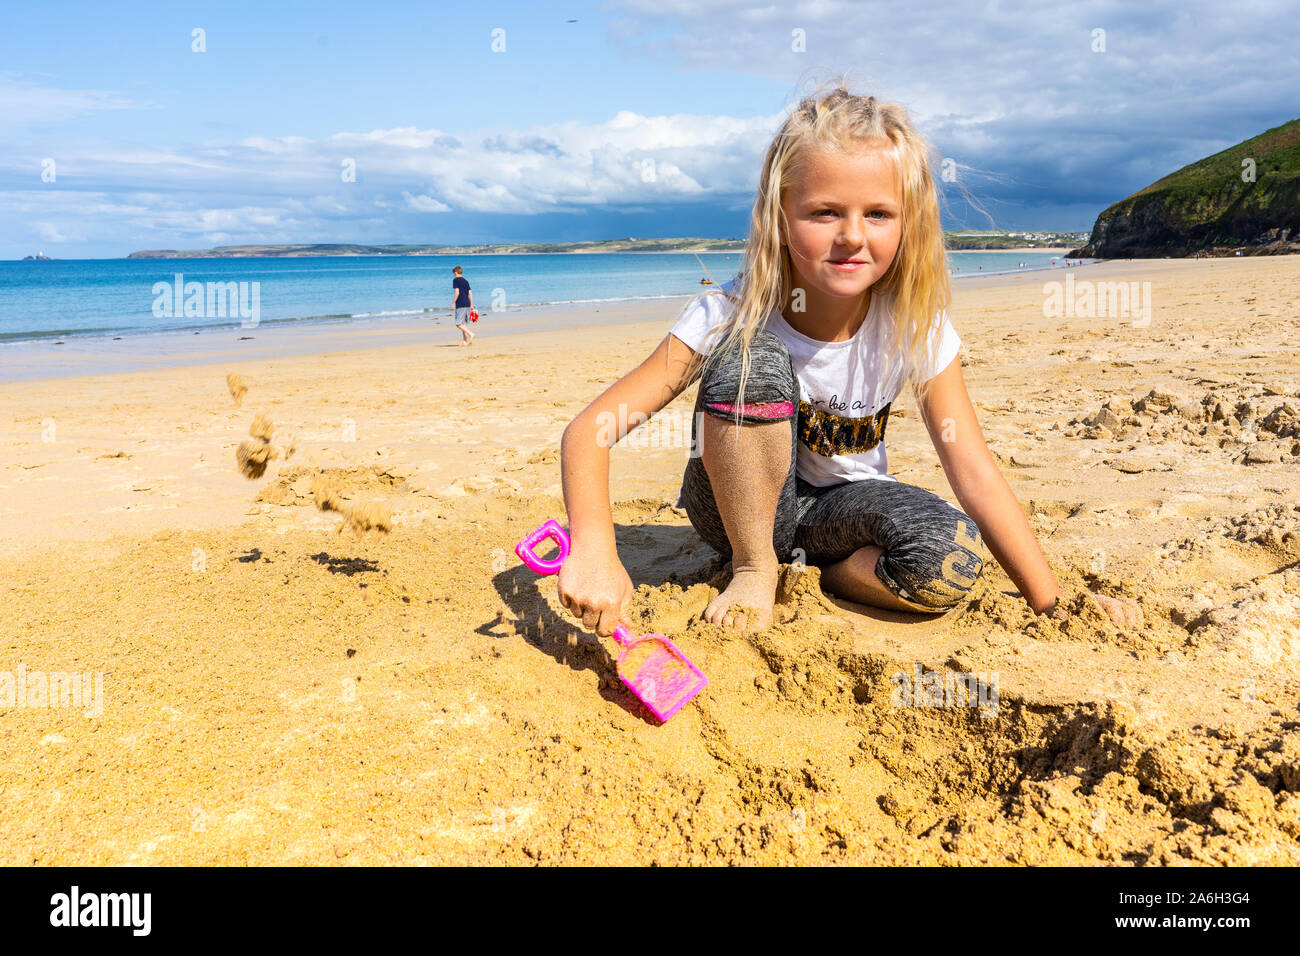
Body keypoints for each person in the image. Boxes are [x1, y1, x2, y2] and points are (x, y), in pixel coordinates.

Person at [558, 83, 1135, 636]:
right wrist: (595, 550)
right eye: (825, 212)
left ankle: (810, 577)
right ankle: (756, 570)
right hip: (733, 513)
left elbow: (974, 472)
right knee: (750, 357)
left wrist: (1053, 603)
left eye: (878, 214)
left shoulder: (914, 324)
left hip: (838, 514)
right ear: (780, 218)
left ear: (908, 221)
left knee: (950, 556)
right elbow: (591, 431)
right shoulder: (725, 312)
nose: (853, 236)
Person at [451, 266, 475, 346]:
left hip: (460, 304)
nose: (454, 275)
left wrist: (452, 303)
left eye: (454, 273)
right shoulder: (466, 281)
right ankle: (465, 342)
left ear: (455, 272)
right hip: (467, 303)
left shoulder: (455, 280)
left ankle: (471, 334)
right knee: (463, 324)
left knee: (458, 324)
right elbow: (470, 293)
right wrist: (471, 305)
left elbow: (457, 292)